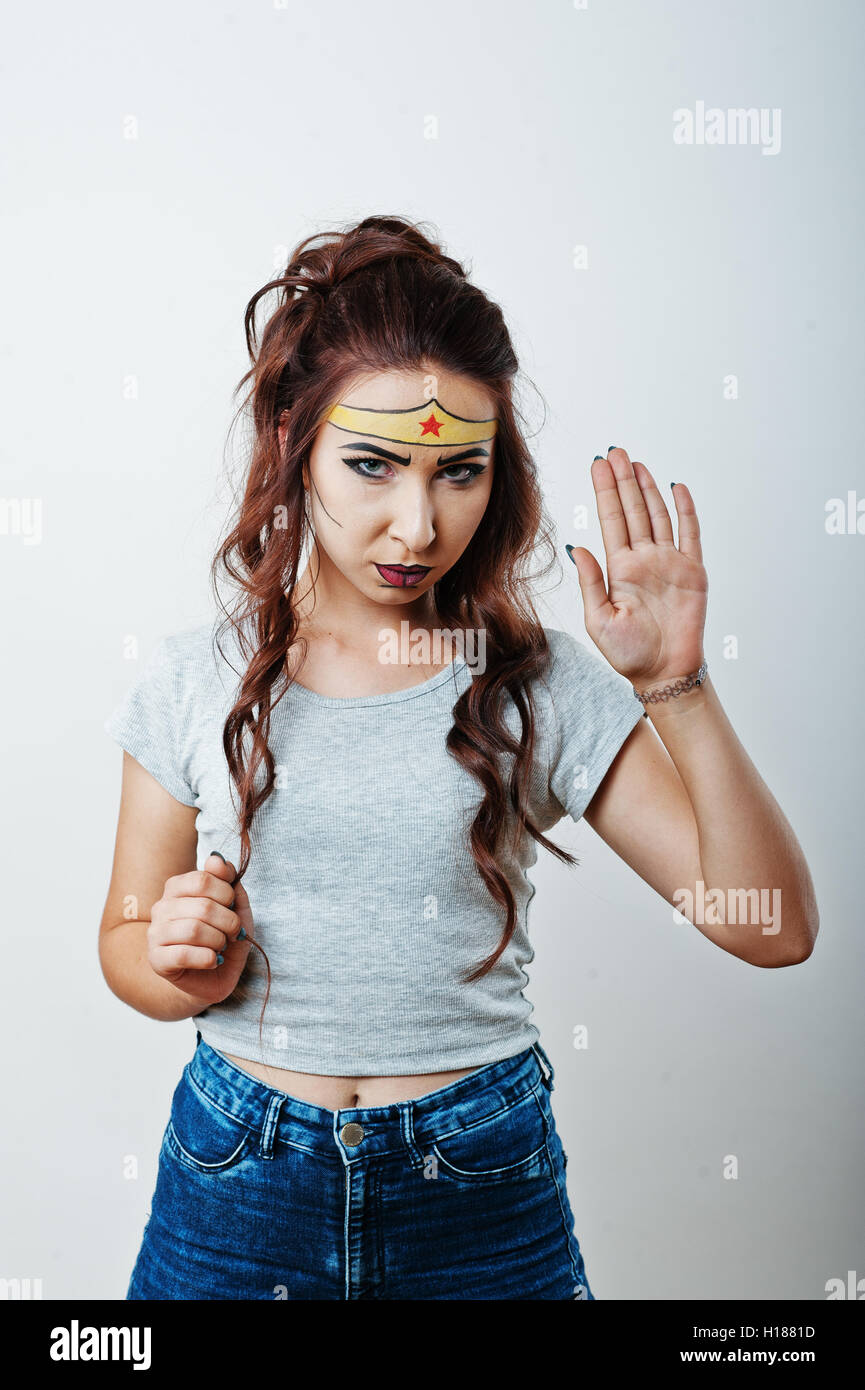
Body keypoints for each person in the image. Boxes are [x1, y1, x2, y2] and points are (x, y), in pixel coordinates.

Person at [100, 214, 819, 1300]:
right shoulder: (190, 676)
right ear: (294, 435)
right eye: (372, 465)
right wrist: (172, 958)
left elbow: (771, 927)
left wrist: (675, 682)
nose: (416, 524)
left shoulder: (538, 682)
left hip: (478, 1181)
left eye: (458, 472)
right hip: (235, 1181)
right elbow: (121, 943)